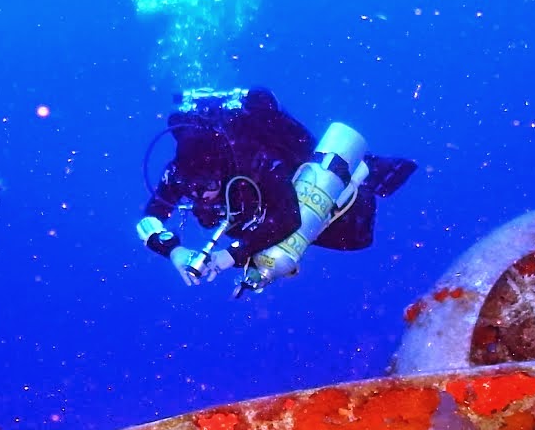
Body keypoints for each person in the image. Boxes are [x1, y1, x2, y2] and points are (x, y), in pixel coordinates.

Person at [136, 87, 416, 295]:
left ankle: (362, 169)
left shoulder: (252, 161)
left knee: (354, 236)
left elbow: (289, 218)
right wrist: (173, 251)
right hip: (251, 215)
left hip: (288, 188)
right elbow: (149, 220)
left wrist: (230, 255)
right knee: (261, 243)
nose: (201, 197)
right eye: (190, 189)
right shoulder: (178, 173)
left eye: (206, 186)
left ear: (221, 172)